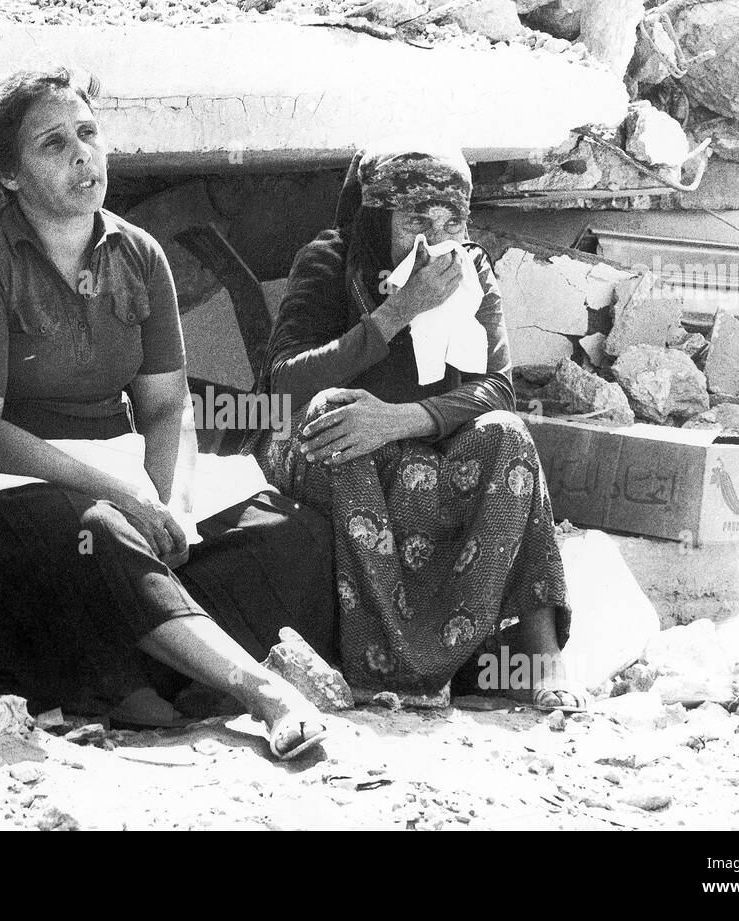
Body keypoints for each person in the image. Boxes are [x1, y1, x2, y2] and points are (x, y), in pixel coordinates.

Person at [0, 66, 335, 760]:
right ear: (12, 176)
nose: (84, 155)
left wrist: (160, 498)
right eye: (53, 144)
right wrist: (122, 501)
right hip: (3, 481)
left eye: (89, 133)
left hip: (121, 467)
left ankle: (125, 674)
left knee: (289, 532)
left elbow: (166, 402)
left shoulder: (138, 254)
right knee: (98, 532)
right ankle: (262, 691)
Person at [248, 142, 585, 711]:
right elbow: (282, 387)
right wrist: (398, 311)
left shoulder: (470, 268)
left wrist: (404, 419)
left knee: (508, 436)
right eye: (415, 222)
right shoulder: (330, 260)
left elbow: (497, 386)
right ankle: (384, 670)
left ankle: (538, 658)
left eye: (452, 221)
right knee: (336, 414)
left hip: (416, 436)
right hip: (326, 441)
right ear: (378, 220)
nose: (437, 239)